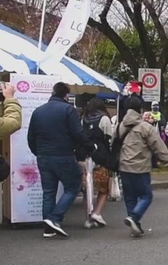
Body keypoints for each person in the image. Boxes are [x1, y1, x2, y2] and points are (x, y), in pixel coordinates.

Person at [26, 82, 90, 238]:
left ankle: (48, 228)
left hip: (43, 156)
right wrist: (90, 146)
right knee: (73, 186)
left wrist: (38, 152)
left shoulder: (38, 111)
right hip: (63, 155)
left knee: (48, 192)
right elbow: (77, 133)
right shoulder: (68, 110)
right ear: (66, 95)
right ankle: (54, 219)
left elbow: (31, 137)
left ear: (53, 93)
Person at [117, 96, 168, 237]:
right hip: (140, 168)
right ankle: (134, 217)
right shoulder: (145, 127)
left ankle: (134, 225)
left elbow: (115, 145)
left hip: (124, 167)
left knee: (130, 197)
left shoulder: (120, 126)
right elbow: (158, 146)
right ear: (140, 110)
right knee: (146, 196)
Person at [81, 98, 115, 228]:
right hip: (100, 158)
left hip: (85, 158)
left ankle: (88, 219)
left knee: (87, 190)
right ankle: (97, 213)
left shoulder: (82, 119)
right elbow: (109, 140)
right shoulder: (104, 119)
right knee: (103, 189)